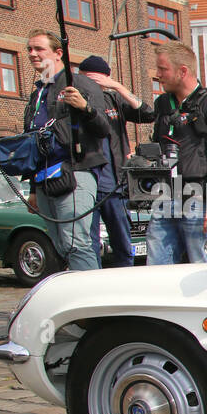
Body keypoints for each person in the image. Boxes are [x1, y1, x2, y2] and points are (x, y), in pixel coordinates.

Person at [21, 30, 112, 271]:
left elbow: (103, 128)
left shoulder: (79, 83)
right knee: (61, 245)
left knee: (76, 243)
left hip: (75, 173)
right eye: (29, 49)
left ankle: (92, 302)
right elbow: (34, 144)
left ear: (58, 52)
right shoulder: (37, 93)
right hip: (43, 180)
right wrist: (32, 188)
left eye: (39, 49)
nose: (32, 54)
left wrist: (85, 107)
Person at [147, 40, 207, 264]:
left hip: (199, 195)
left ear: (183, 71)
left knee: (202, 268)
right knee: (156, 265)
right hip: (166, 194)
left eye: (163, 69)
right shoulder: (162, 105)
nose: (157, 74)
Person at [76, 54, 154, 268]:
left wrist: (117, 86)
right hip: (86, 183)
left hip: (114, 186)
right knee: (88, 245)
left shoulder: (113, 100)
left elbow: (147, 113)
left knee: (122, 241)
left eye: (96, 80)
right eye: (86, 79)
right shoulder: (74, 101)